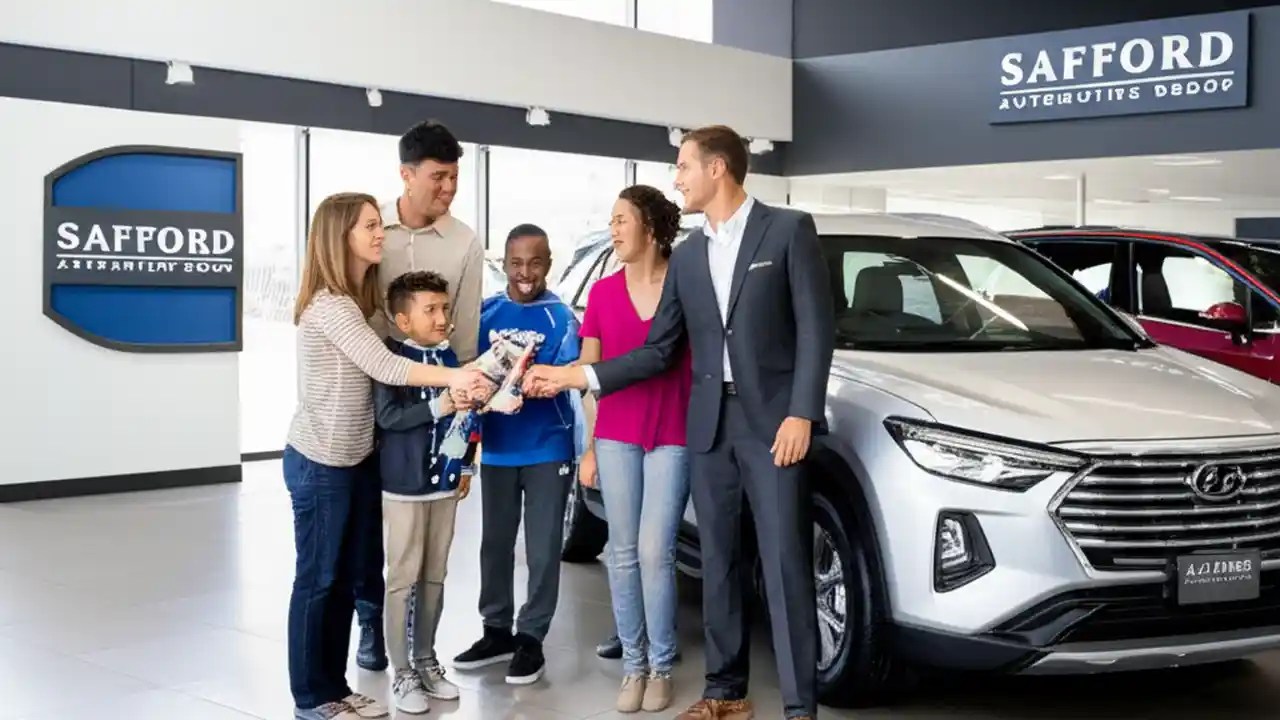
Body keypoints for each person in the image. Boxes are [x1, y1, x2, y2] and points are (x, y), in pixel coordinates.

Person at [523, 125, 836, 720]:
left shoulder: (788, 230)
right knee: (717, 559)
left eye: (683, 167)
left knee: (784, 559)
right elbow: (659, 349)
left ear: (717, 168)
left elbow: (817, 328)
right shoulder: (689, 254)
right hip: (709, 424)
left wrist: (801, 411)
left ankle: (800, 708)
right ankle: (725, 692)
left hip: (773, 423)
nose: (677, 179)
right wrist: (578, 376)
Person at [284, 193, 485, 720]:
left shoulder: (356, 303)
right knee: (319, 580)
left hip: (354, 461)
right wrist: (456, 376)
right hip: (321, 461)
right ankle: (312, 698)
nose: (382, 234)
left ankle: (335, 687)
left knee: (347, 579)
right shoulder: (330, 304)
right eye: (371, 226)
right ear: (340, 236)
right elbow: (387, 367)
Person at [359, 118, 484, 672]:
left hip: (434, 398)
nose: (448, 189)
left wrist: (464, 437)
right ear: (406, 175)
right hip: (364, 396)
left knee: (425, 544)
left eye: (455, 178)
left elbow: (463, 340)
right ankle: (374, 628)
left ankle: (420, 652)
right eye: (438, 178)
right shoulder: (370, 230)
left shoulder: (464, 242)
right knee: (374, 531)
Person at [452, 224, 582, 686]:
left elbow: (572, 375)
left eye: (535, 262)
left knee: (544, 547)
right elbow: (466, 378)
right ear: (504, 264)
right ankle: (495, 631)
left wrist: (531, 378)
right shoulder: (485, 312)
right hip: (499, 450)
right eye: (516, 262)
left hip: (549, 447)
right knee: (495, 544)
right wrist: (466, 452)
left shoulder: (561, 318)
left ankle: (531, 637)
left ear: (549, 263)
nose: (525, 272)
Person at [578, 185, 691, 713]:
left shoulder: (685, 285)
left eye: (621, 219)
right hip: (617, 432)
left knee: (655, 552)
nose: (614, 230)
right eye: (611, 220)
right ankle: (634, 666)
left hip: (674, 432)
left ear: (649, 226)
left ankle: (663, 665)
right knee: (622, 553)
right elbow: (589, 377)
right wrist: (592, 446)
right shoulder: (601, 294)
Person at [372, 271, 479, 714]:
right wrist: (439, 403)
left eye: (444, 309)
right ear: (402, 320)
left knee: (435, 573)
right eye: (429, 310)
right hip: (403, 484)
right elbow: (388, 417)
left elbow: (466, 418)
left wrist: (467, 466)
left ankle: (426, 659)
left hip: (444, 483)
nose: (441, 318)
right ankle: (401, 671)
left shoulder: (452, 357)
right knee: (402, 577)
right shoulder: (391, 360)